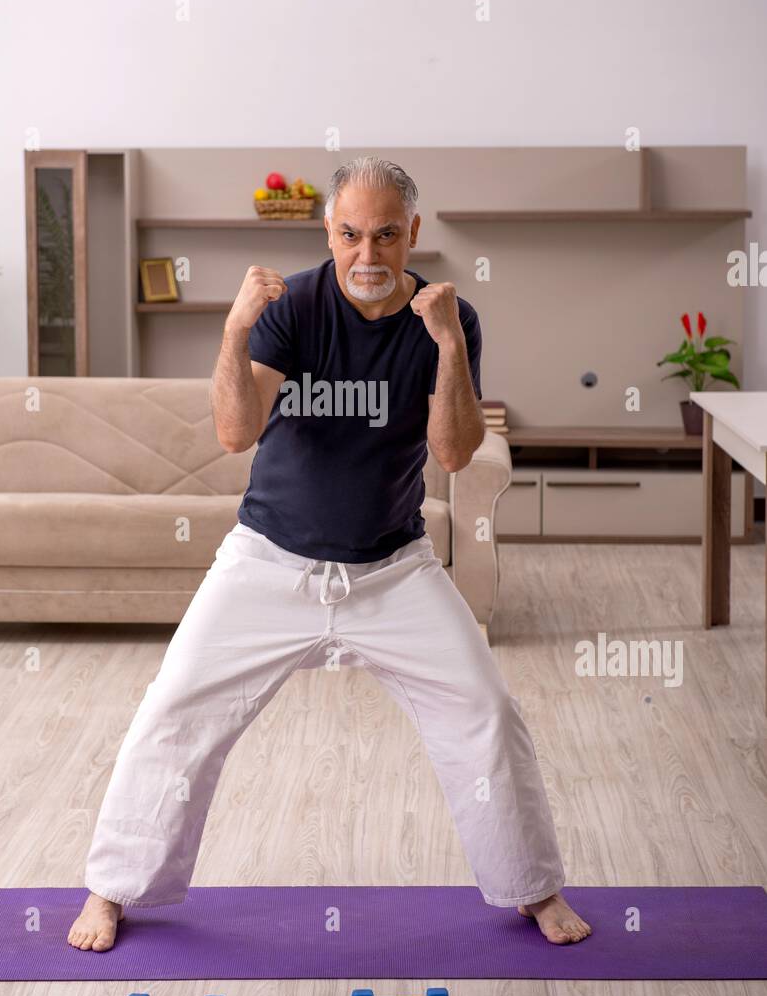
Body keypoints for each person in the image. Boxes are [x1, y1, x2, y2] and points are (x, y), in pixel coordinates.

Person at [68, 156, 591, 952]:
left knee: (484, 709)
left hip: (393, 569)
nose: (368, 255)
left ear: (413, 232)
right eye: (350, 234)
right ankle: (112, 890)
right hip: (268, 563)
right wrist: (235, 328)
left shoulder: (445, 316)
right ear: (329, 231)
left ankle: (531, 889)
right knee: (172, 709)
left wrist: (448, 347)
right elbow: (235, 432)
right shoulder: (293, 305)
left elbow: (452, 455)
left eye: (386, 235)